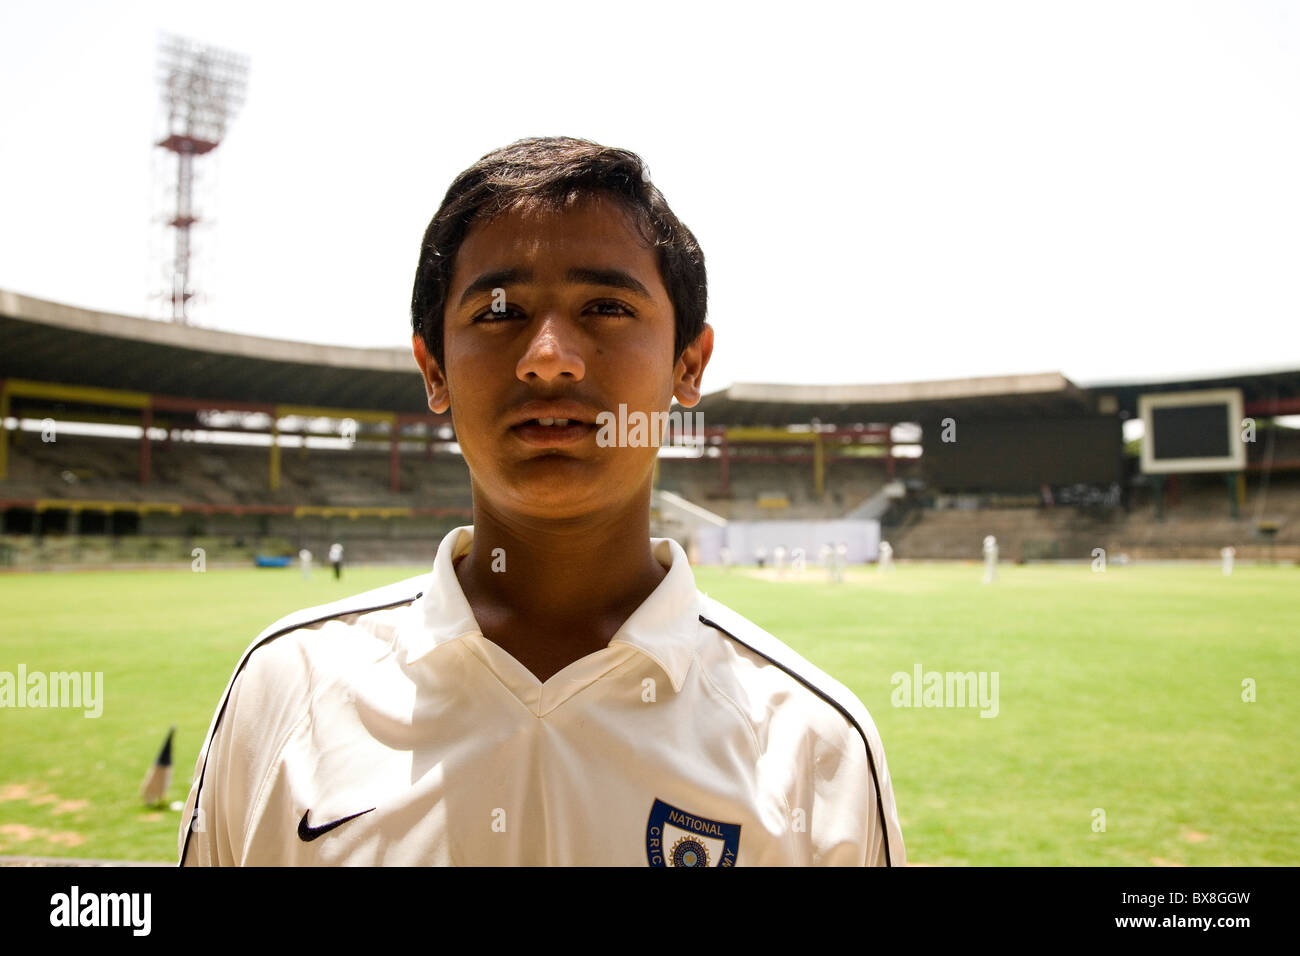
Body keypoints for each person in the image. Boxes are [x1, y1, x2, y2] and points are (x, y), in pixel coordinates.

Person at [178, 136, 904, 867]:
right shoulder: (282, 694)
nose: (549, 355)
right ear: (434, 371)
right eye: (499, 313)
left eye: (606, 306)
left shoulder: (815, 745)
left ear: (689, 364)